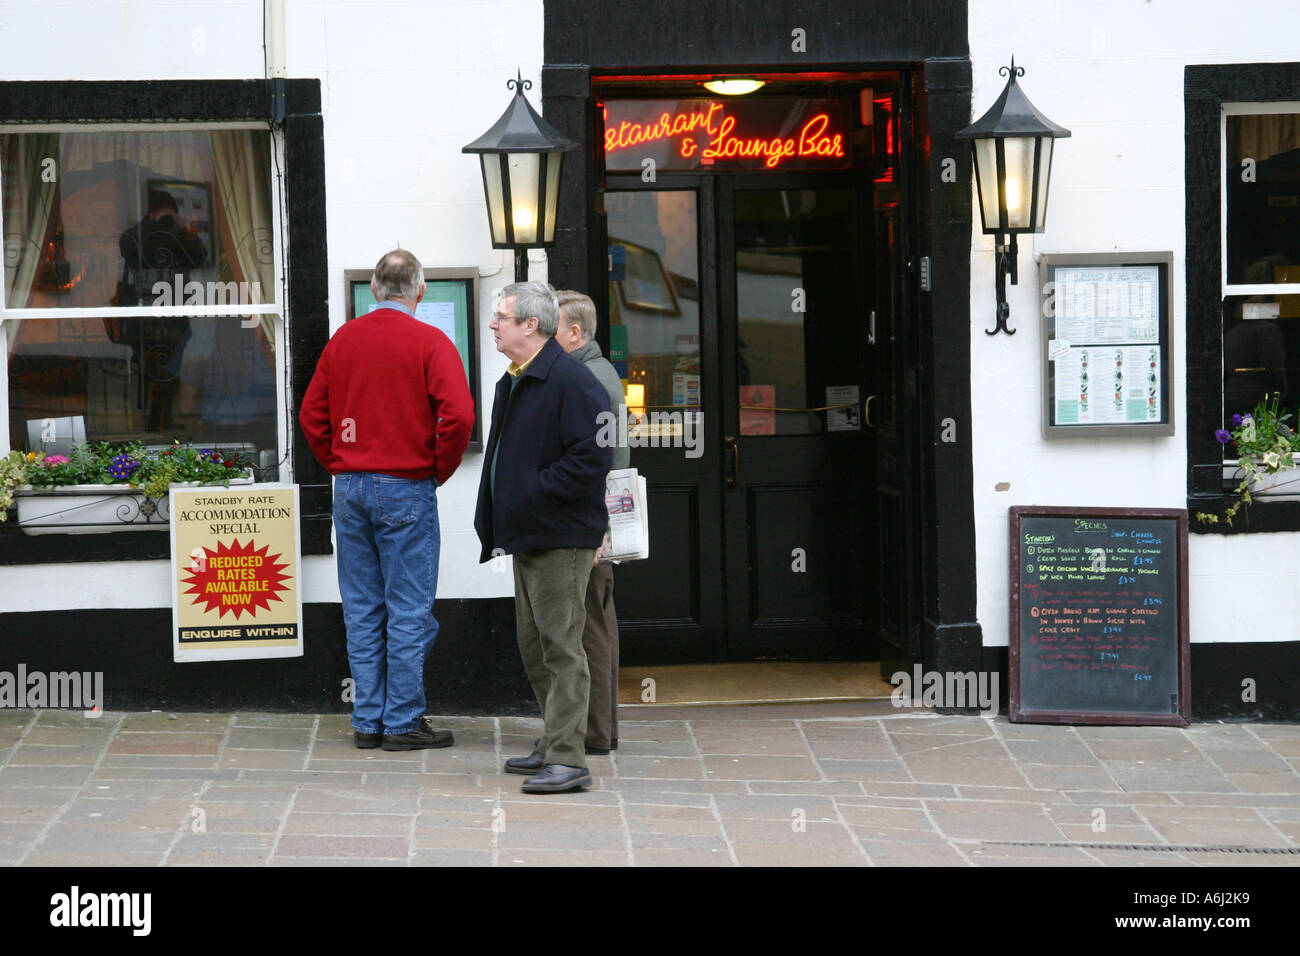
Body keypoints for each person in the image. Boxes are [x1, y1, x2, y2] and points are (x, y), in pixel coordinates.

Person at [300, 249, 474, 751]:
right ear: (420, 292)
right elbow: (458, 414)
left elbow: (312, 413)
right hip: (406, 484)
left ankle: (367, 719)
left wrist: (339, 462)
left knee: (361, 608)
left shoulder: (344, 339)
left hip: (350, 486)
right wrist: (437, 469)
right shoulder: (431, 341)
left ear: (375, 290)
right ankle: (401, 721)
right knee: (409, 608)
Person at [475, 281, 612, 793]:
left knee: (561, 645)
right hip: (527, 532)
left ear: (530, 325)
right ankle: (556, 738)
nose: (493, 324)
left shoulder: (572, 381)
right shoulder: (515, 378)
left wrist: (532, 492)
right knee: (534, 648)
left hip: (560, 535)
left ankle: (569, 759)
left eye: (501, 317)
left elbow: (591, 458)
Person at [556, 290, 628, 756]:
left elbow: (599, 459)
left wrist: (599, 526)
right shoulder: (601, 373)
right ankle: (603, 729)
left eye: (553, 326)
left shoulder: (586, 377)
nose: (544, 333)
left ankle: (595, 733)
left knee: (589, 627)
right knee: (599, 620)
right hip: (599, 518)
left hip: (590, 522)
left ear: (576, 333)